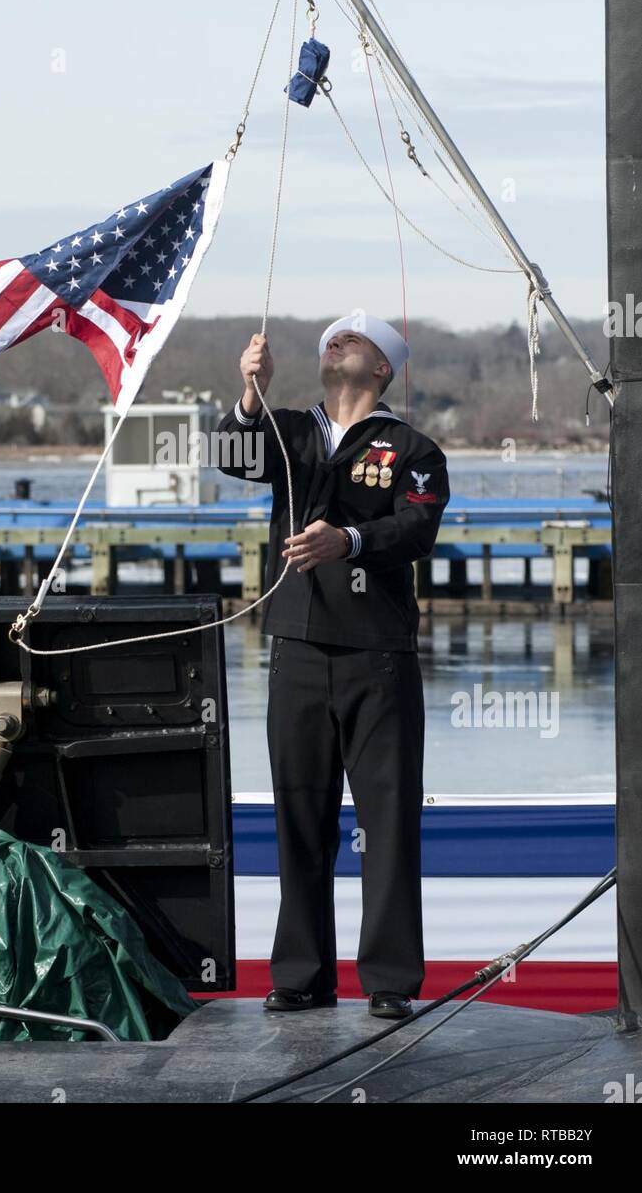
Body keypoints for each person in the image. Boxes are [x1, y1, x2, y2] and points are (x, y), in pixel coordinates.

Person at [216, 314, 450, 1019]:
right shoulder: (287, 430)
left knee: (385, 820)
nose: (336, 340)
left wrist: (346, 538)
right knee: (299, 816)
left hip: (376, 654)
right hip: (293, 646)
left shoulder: (411, 447)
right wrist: (249, 395)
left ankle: (388, 982)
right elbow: (232, 456)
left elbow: (416, 527)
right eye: (330, 337)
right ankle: (300, 973)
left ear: (383, 367)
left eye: (355, 337)